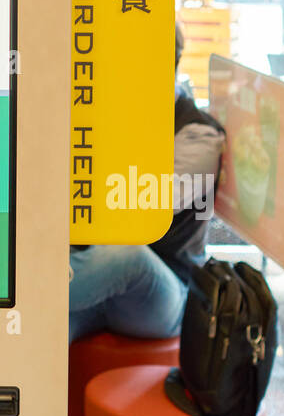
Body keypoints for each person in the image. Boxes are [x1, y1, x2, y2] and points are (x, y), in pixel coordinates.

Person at [69, 24, 225, 343]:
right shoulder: (109, 115)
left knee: (127, 256)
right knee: (36, 331)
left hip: (164, 293)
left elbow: (138, 207)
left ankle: (15, 288)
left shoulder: (199, 135)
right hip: (96, 282)